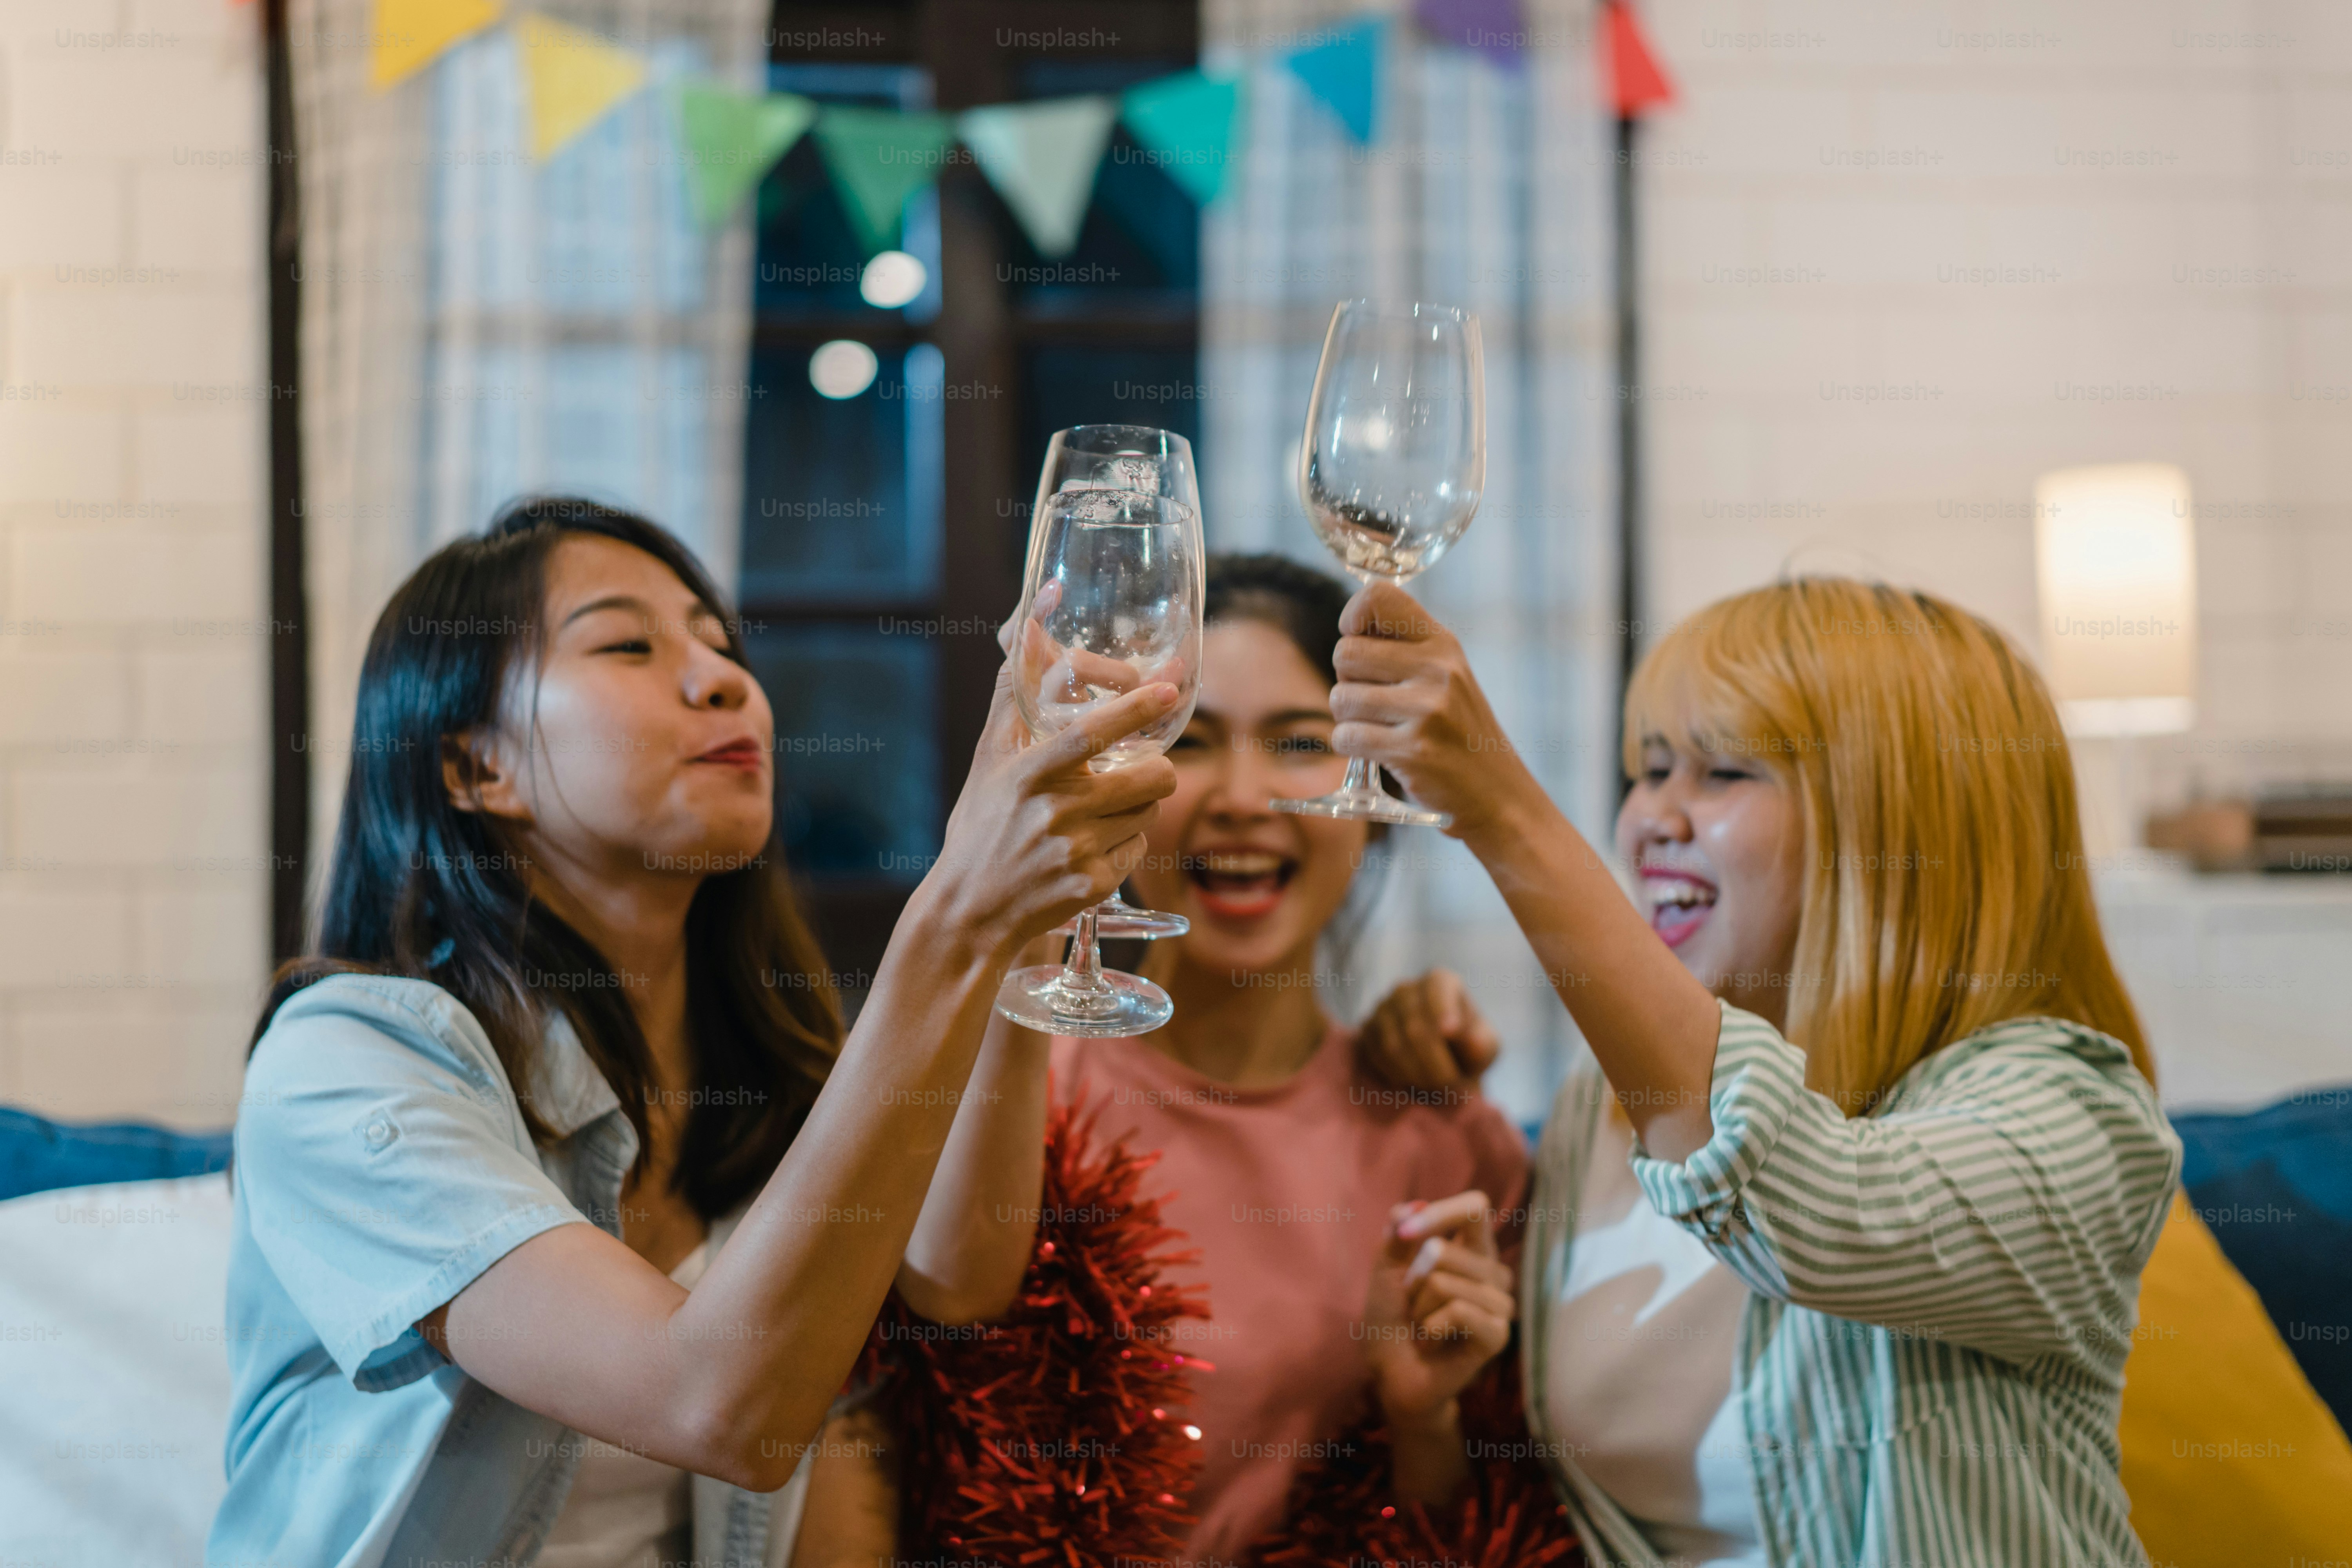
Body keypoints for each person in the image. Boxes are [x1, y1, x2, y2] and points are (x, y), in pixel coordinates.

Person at [207, 496, 1180, 1568]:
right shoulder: (344, 1066)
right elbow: (718, 1407)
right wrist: (957, 913)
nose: (725, 681)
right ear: (476, 767)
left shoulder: (749, 1065)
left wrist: (1025, 928)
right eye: (627, 642)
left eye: (721, 645)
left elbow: (959, 1272)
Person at [1341, 575, 2184, 1567]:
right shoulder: (1599, 1112)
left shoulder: (2078, 1114)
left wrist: (1505, 812)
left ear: (1902, 824)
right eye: (1650, 768)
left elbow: (1818, 1207)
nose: (1653, 815)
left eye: (1723, 773)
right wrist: (1428, 1422)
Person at [792, 553, 1539, 1566]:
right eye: (1190, 740)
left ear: (1372, 789)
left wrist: (1425, 1425)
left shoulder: (1452, 1143)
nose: (1241, 797)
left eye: (1299, 744)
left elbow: (1491, 1533)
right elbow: (926, 1346)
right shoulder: (1020, 1087)